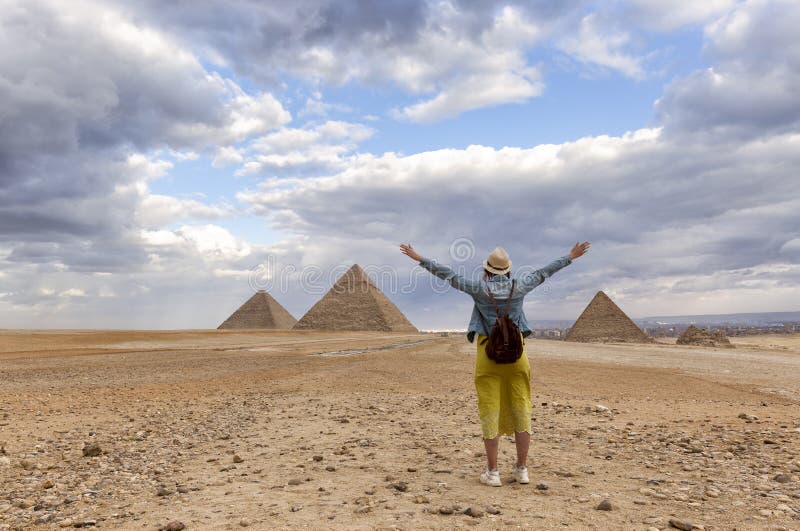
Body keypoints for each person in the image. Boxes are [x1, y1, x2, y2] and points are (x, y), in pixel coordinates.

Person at [400, 241, 590, 486]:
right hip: (517, 357)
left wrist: (419, 258)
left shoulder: (479, 288)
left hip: (488, 355)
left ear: (487, 271)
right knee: (521, 407)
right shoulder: (519, 287)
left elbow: (449, 275)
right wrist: (570, 256)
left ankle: (493, 473)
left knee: (489, 409)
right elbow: (544, 273)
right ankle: (522, 469)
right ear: (508, 270)